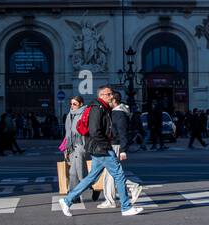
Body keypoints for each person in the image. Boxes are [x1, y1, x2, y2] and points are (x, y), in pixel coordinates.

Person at [58, 87, 143, 217]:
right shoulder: (97, 108)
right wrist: (106, 146)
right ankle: (126, 207)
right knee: (119, 174)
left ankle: (67, 200)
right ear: (102, 95)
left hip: (98, 147)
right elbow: (94, 131)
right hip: (101, 148)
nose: (111, 96)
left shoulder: (102, 108)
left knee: (92, 177)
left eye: (111, 94)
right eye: (109, 94)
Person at [99, 92, 145, 209]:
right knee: (110, 173)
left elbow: (123, 132)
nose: (107, 101)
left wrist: (123, 150)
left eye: (109, 99)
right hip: (113, 144)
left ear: (114, 101)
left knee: (112, 172)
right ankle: (110, 199)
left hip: (116, 145)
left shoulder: (118, 113)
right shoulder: (116, 112)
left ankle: (132, 187)